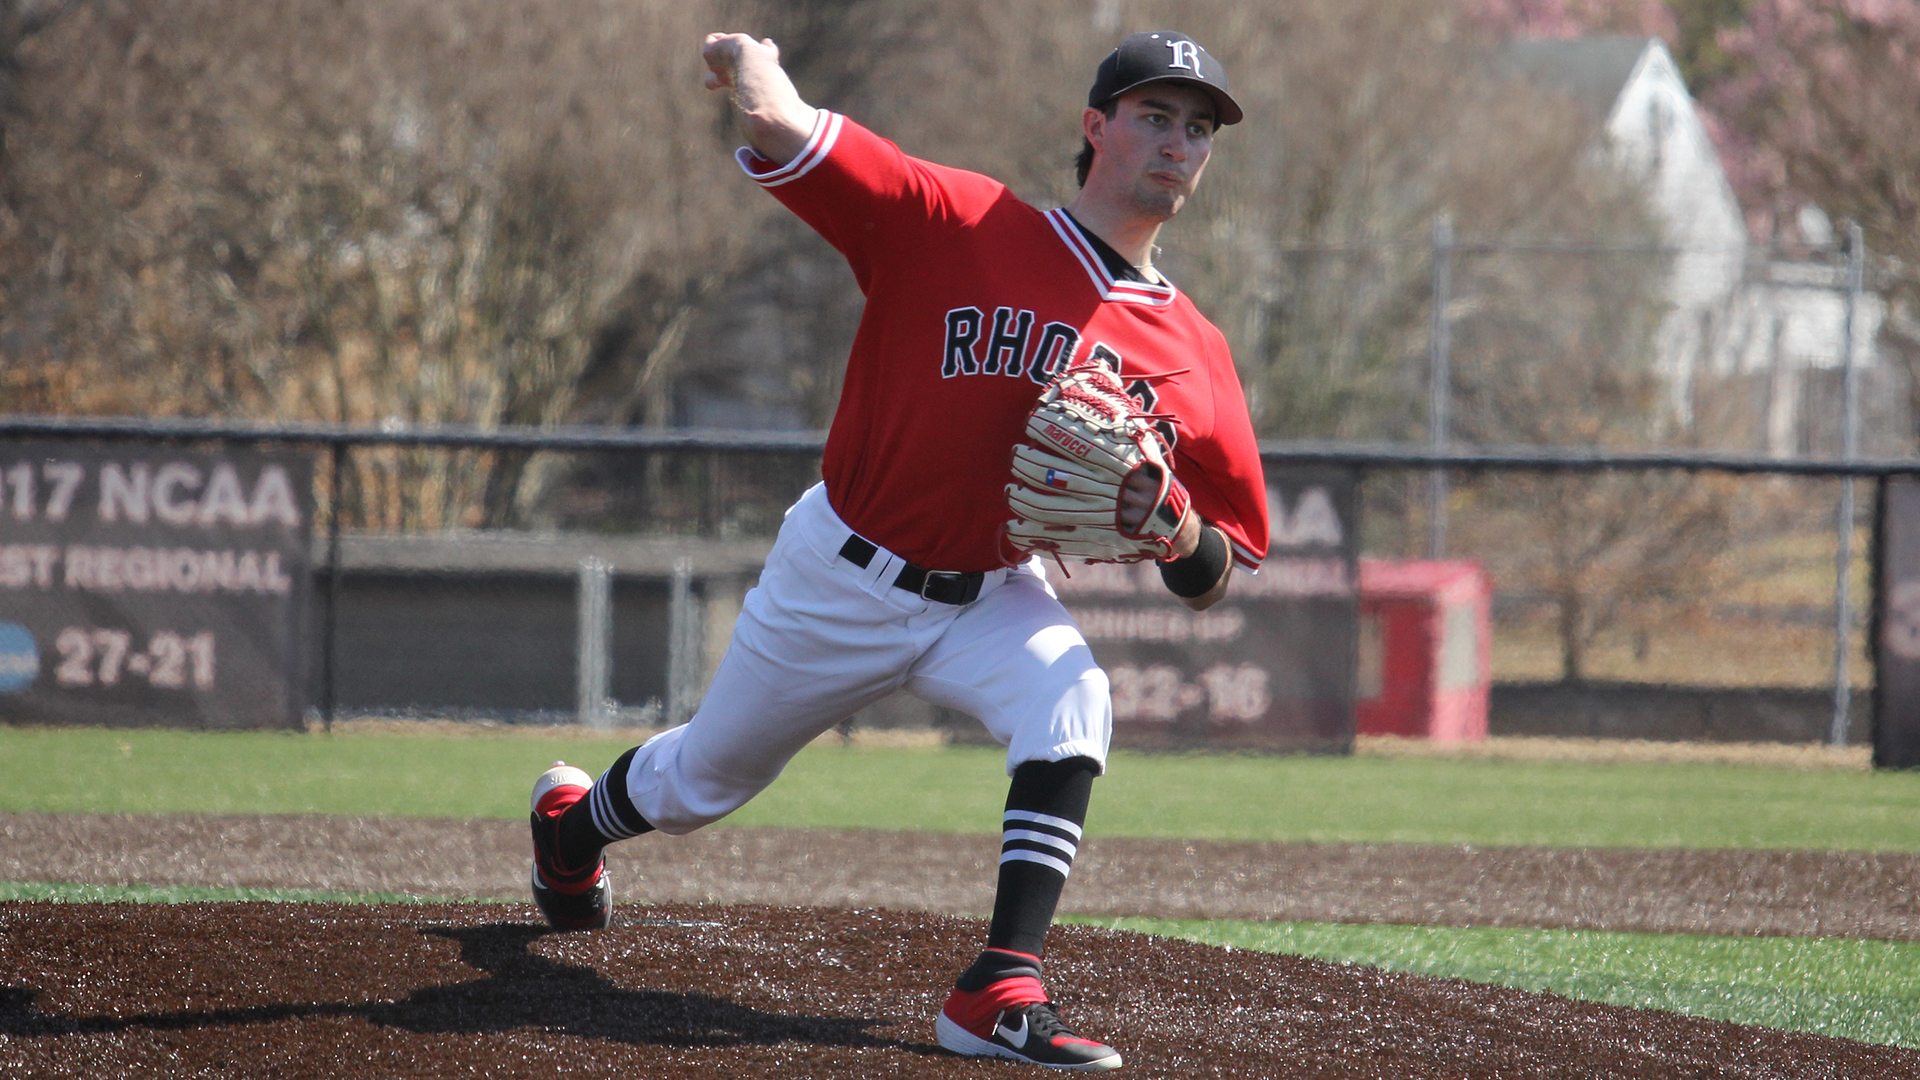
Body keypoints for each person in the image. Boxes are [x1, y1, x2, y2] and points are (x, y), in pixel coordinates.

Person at [527, 29, 1269, 1071]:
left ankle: (998, 989)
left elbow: (1216, 574)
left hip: (991, 592)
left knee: (1074, 699)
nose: (1178, 143)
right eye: (1155, 116)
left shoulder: (1195, 352)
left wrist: (1178, 528)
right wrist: (752, 64)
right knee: (700, 784)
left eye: (1198, 128)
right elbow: (788, 130)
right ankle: (570, 832)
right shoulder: (959, 223)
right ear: (1095, 128)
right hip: (841, 572)